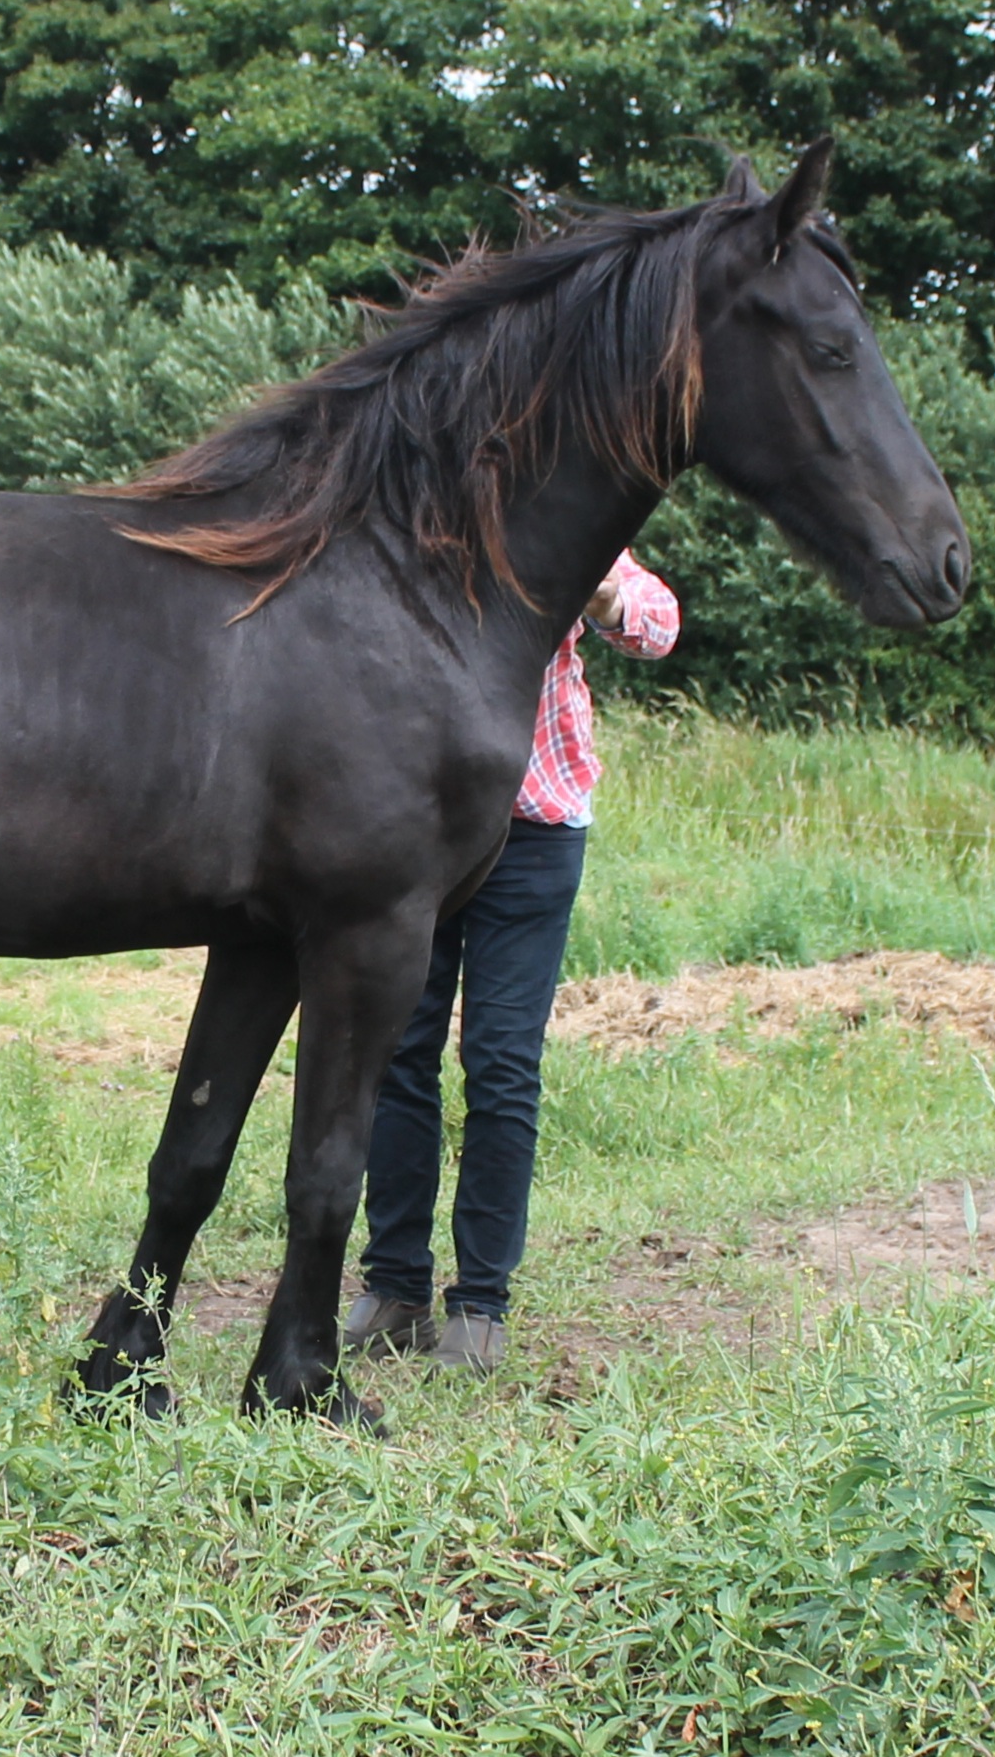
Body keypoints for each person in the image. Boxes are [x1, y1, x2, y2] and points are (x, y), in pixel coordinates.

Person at [346, 550, 679, 1373]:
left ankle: (481, 1302)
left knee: (499, 1061)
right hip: (420, 820)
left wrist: (599, 593)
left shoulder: (554, 509)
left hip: (534, 825)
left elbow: (655, 621)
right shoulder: (425, 513)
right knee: (398, 1051)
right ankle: (394, 1288)